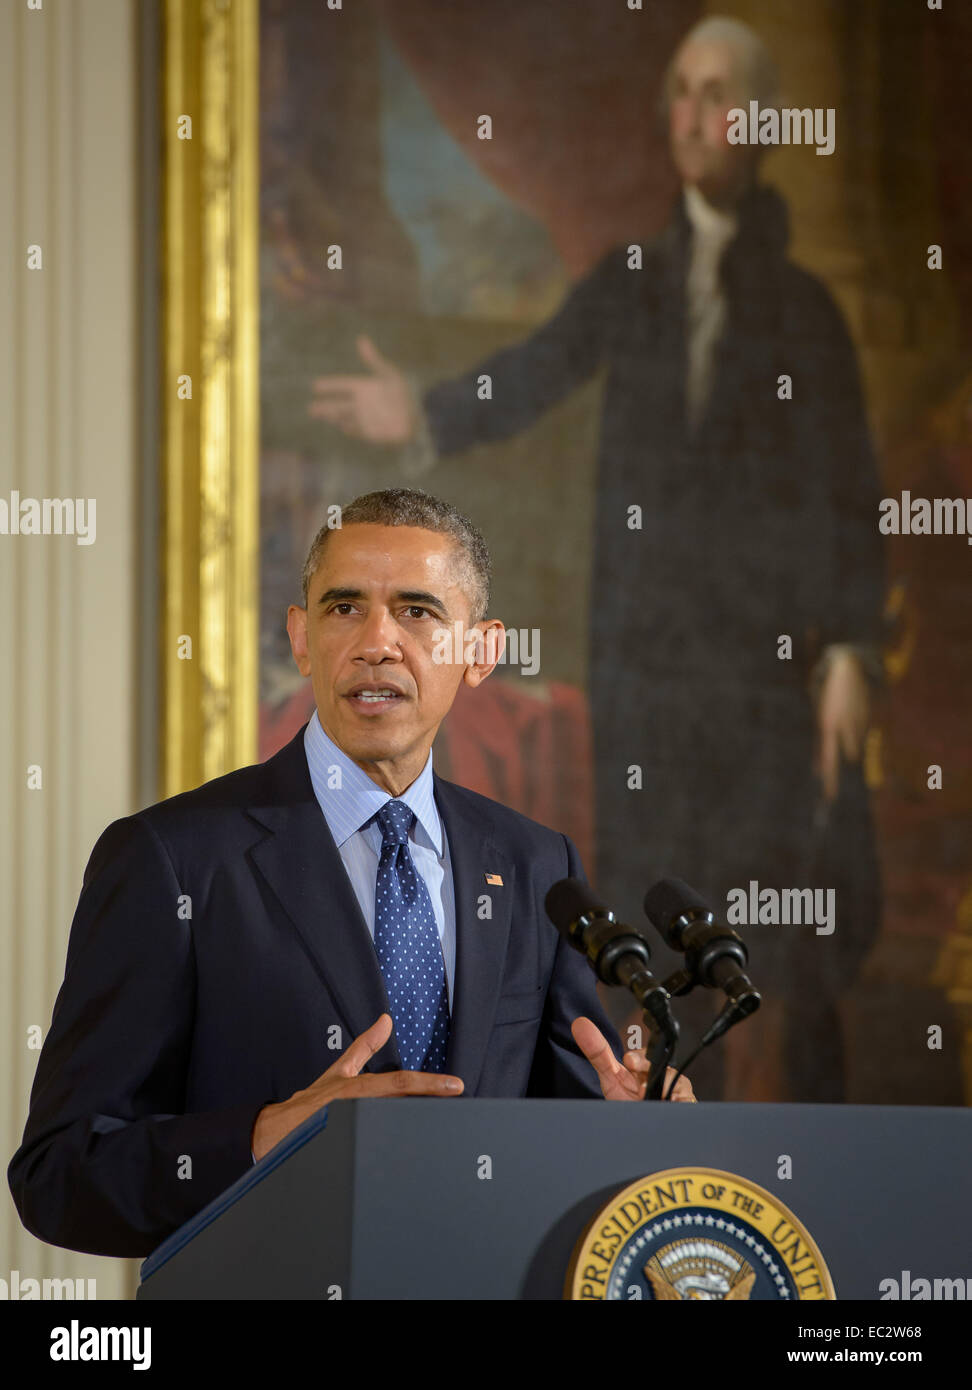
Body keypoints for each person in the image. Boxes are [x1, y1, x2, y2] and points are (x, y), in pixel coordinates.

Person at [307, 18, 885, 1102]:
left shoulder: (806, 314)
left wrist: (850, 644)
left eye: (720, 93)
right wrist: (420, 410)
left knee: (760, 928)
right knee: (647, 903)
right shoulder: (633, 277)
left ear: (758, 124)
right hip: (647, 669)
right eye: (681, 90)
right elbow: (533, 372)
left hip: (763, 678)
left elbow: (853, 494)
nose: (695, 114)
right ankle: (643, 1137)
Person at [8, 488, 694, 1260]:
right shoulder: (173, 859)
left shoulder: (536, 865)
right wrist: (267, 1136)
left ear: (480, 651)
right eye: (343, 609)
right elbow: (59, 1175)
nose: (377, 642)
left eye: (417, 612)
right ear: (301, 639)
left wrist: (629, 1129)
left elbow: (560, 1120)